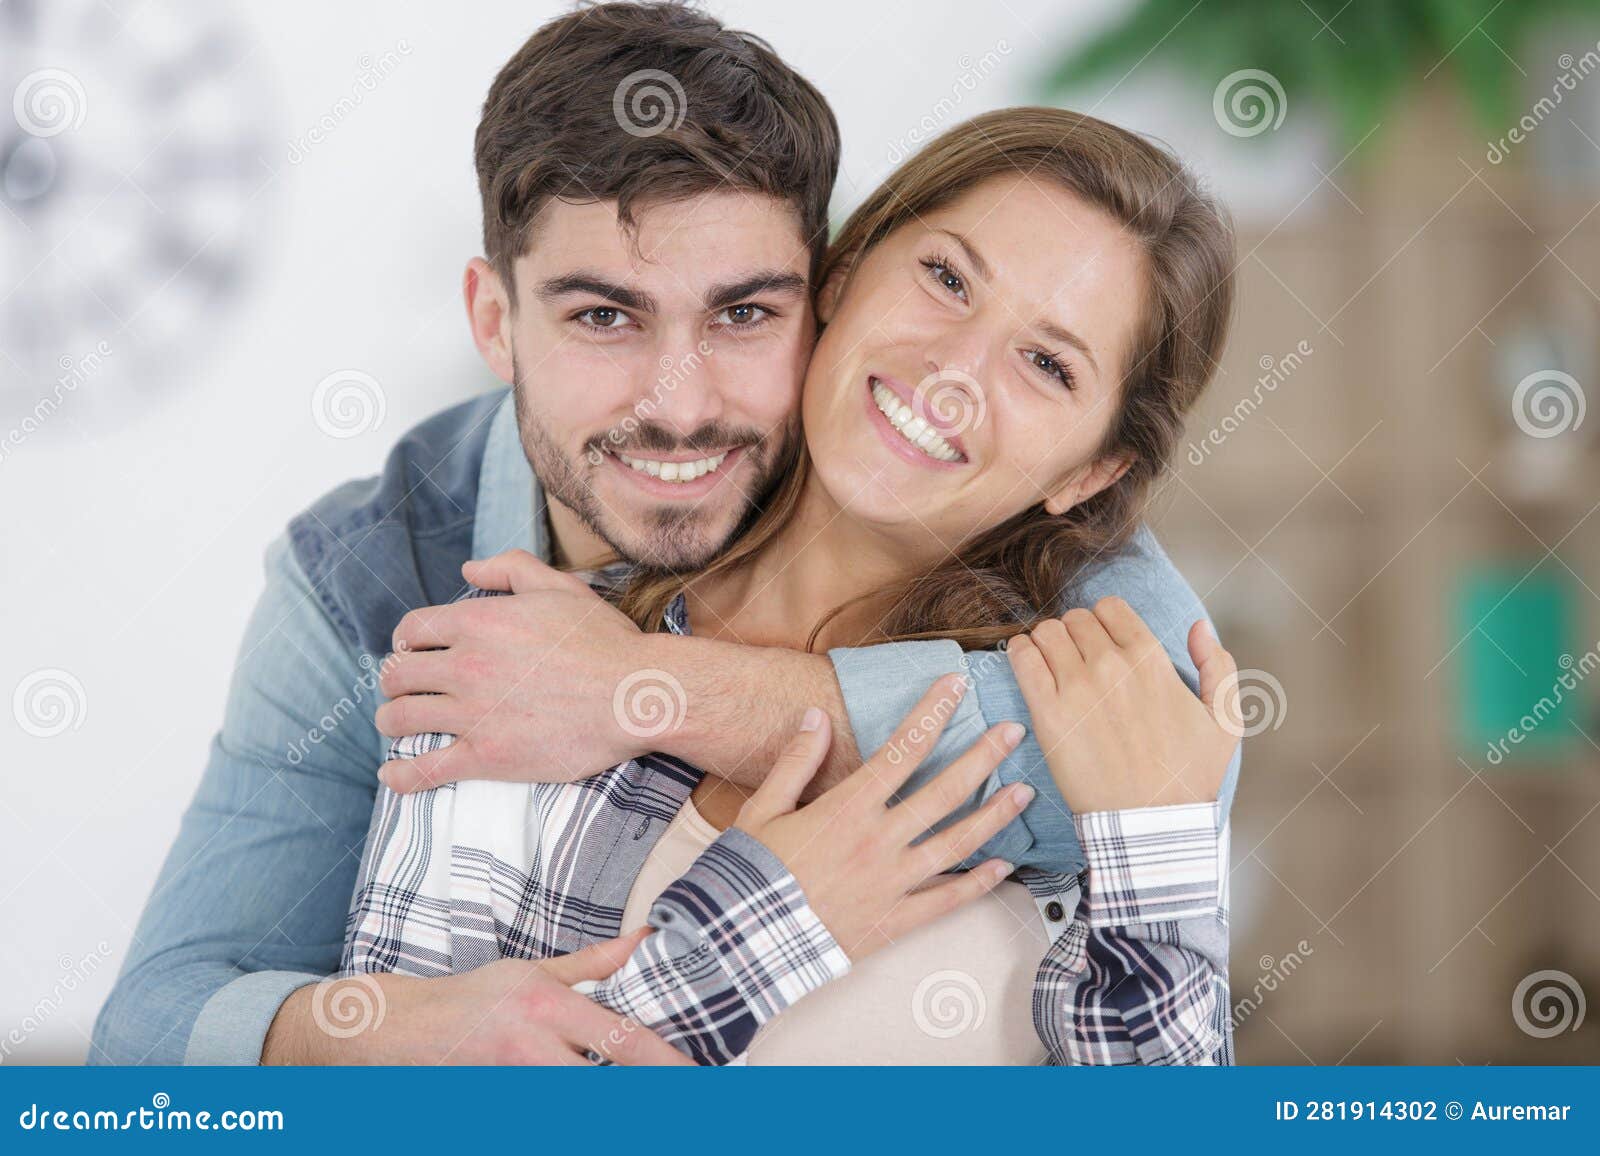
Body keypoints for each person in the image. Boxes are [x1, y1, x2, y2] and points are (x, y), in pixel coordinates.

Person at [89, 2, 1232, 1067]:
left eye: (742, 314)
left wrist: (643, 684)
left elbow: (1170, 755)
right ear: (496, 319)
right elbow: (155, 1045)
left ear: (815, 288)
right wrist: (418, 1029)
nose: (680, 405)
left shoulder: (1086, 614)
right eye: (602, 316)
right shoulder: (445, 643)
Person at [343, 104, 1241, 1065]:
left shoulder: (1092, 750)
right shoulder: (524, 660)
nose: (953, 374)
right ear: (842, 276)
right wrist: (777, 918)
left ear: (1090, 475)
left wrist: (1161, 849)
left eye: (1048, 364)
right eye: (946, 279)